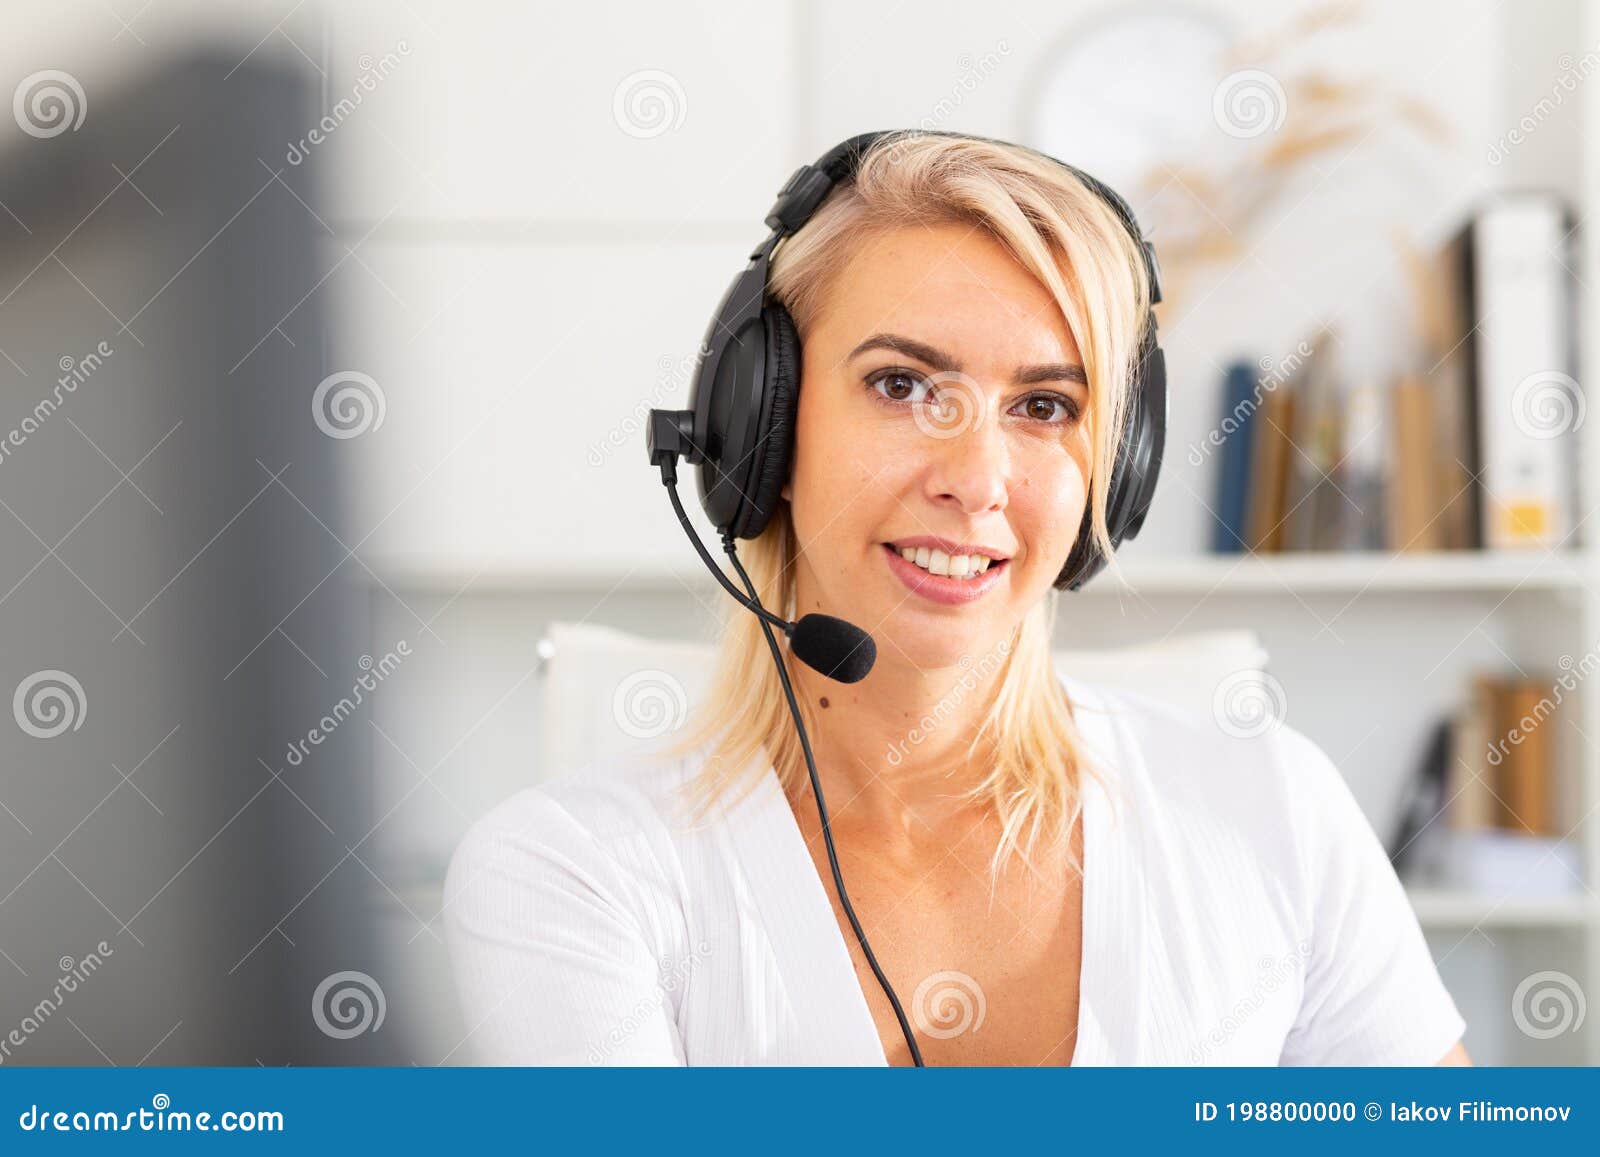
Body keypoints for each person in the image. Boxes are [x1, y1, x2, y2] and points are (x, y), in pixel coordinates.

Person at [441, 132, 1470, 1067]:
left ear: (1114, 469)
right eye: (901, 385)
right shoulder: (570, 875)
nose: (976, 479)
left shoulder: (1272, 809)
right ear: (762, 422)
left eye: (1043, 405)